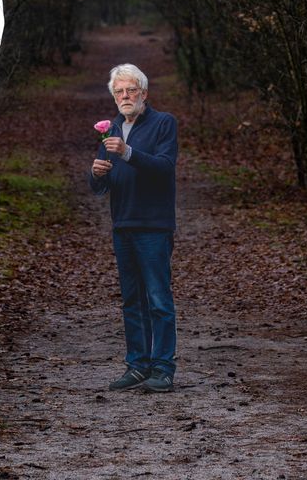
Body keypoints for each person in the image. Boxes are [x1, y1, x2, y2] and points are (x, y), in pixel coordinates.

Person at [90, 62, 178, 393]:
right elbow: (101, 186)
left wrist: (128, 152)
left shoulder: (163, 123)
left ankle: (163, 368)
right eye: (119, 92)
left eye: (131, 91)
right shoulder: (110, 129)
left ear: (143, 93)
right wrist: (96, 174)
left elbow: (164, 168)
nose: (125, 97)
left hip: (153, 226)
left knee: (158, 298)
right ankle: (137, 365)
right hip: (122, 224)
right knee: (131, 300)